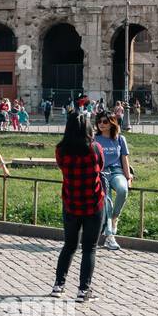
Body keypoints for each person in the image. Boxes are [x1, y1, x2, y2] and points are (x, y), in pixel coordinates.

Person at [52, 111, 106, 303]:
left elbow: (61, 167)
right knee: (89, 248)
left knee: (69, 245)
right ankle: (84, 290)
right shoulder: (95, 148)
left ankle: (58, 285)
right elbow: (102, 165)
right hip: (93, 203)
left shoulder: (60, 150)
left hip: (71, 203)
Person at [93, 112, 133, 252]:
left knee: (123, 190)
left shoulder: (120, 139)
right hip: (101, 173)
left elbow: (124, 159)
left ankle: (115, 218)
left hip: (116, 171)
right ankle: (110, 236)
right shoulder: (94, 139)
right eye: (99, 121)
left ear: (112, 123)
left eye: (104, 121)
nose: (101, 124)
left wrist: (128, 178)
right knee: (107, 202)